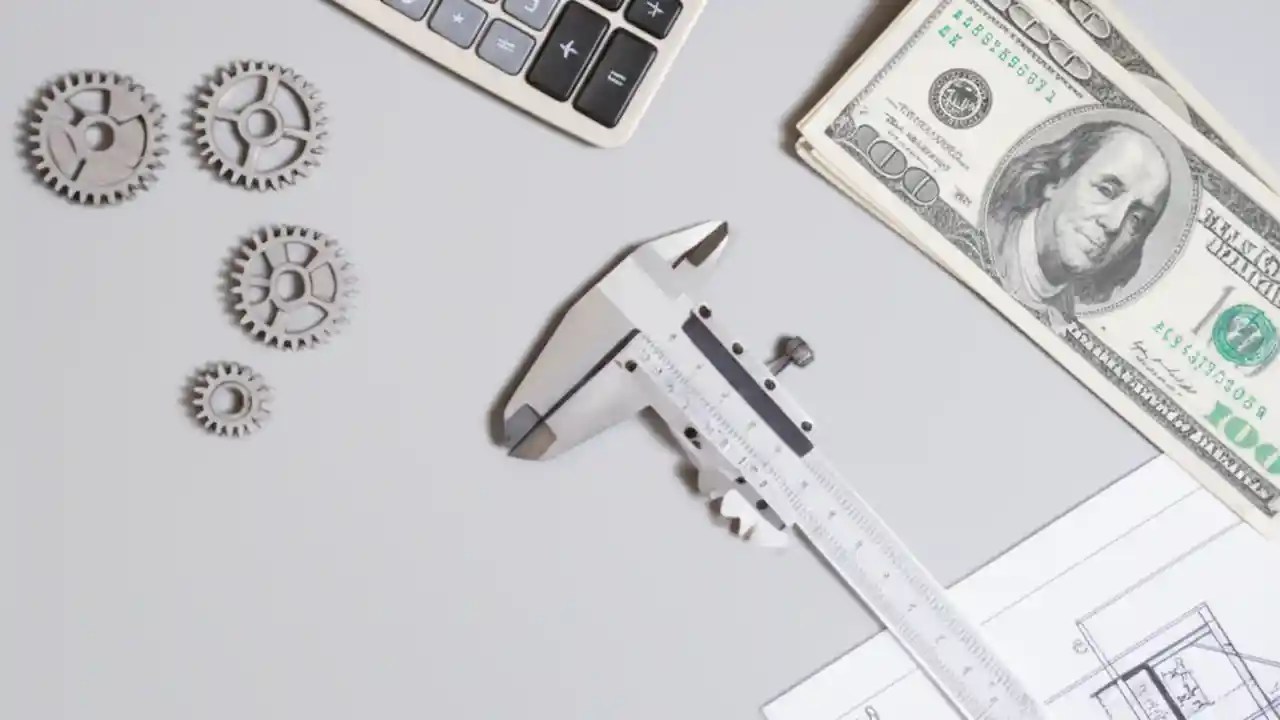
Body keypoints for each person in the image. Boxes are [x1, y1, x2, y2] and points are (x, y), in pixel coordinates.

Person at [987, 121, 1172, 328]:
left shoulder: (1064, 320)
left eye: (1137, 220)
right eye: (1106, 190)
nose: (1113, 224)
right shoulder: (987, 238)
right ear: (1057, 180)